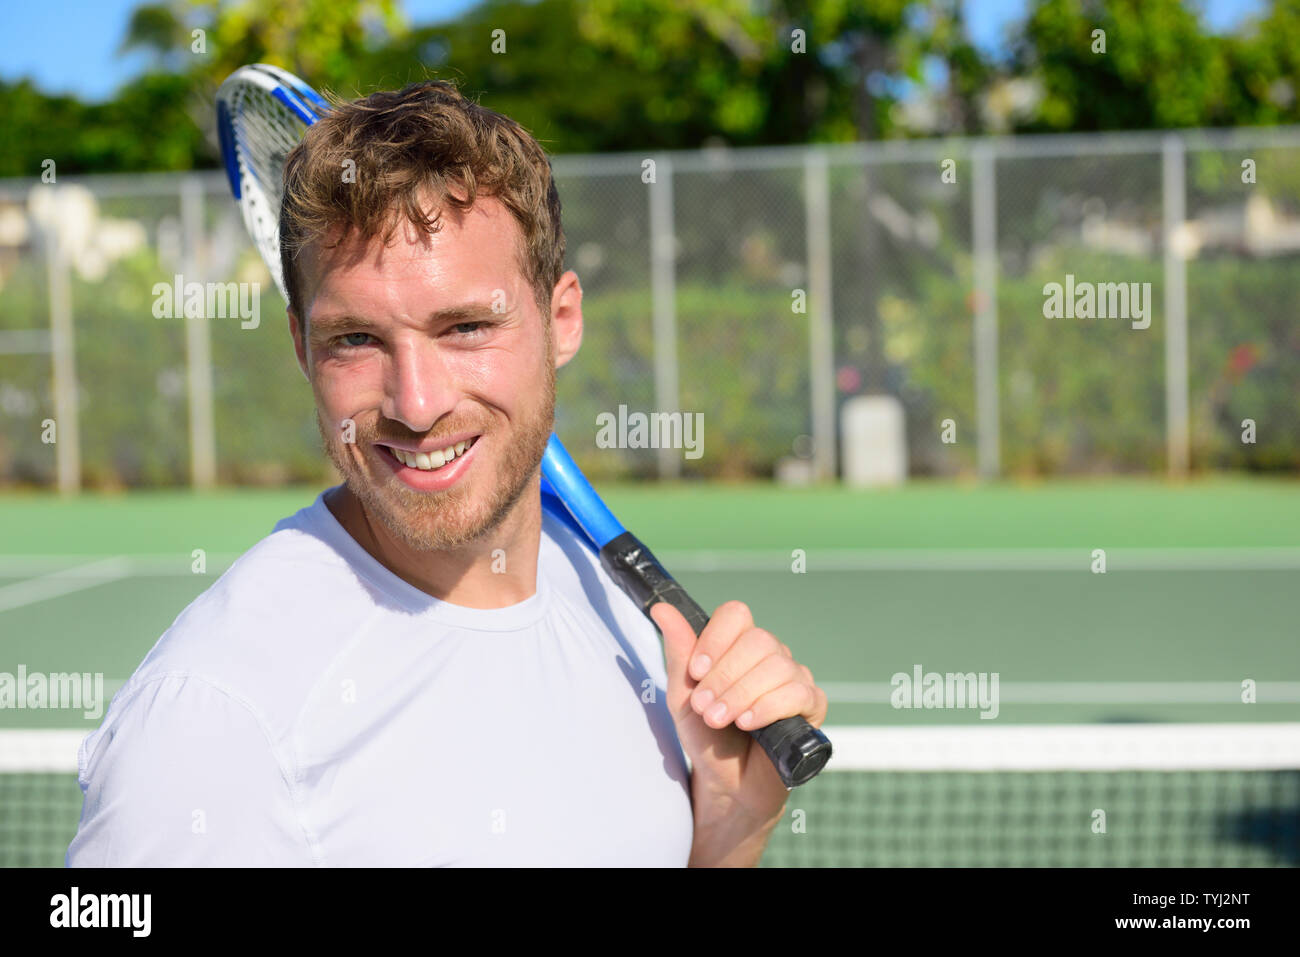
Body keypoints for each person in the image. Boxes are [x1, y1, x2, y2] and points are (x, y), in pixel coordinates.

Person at [66, 80, 827, 867]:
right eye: (356, 339)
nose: (418, 404)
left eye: (465, 326)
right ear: (301, 348)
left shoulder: (620, 620)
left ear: (561, 320)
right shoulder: (214, 719)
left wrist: (732, 829)